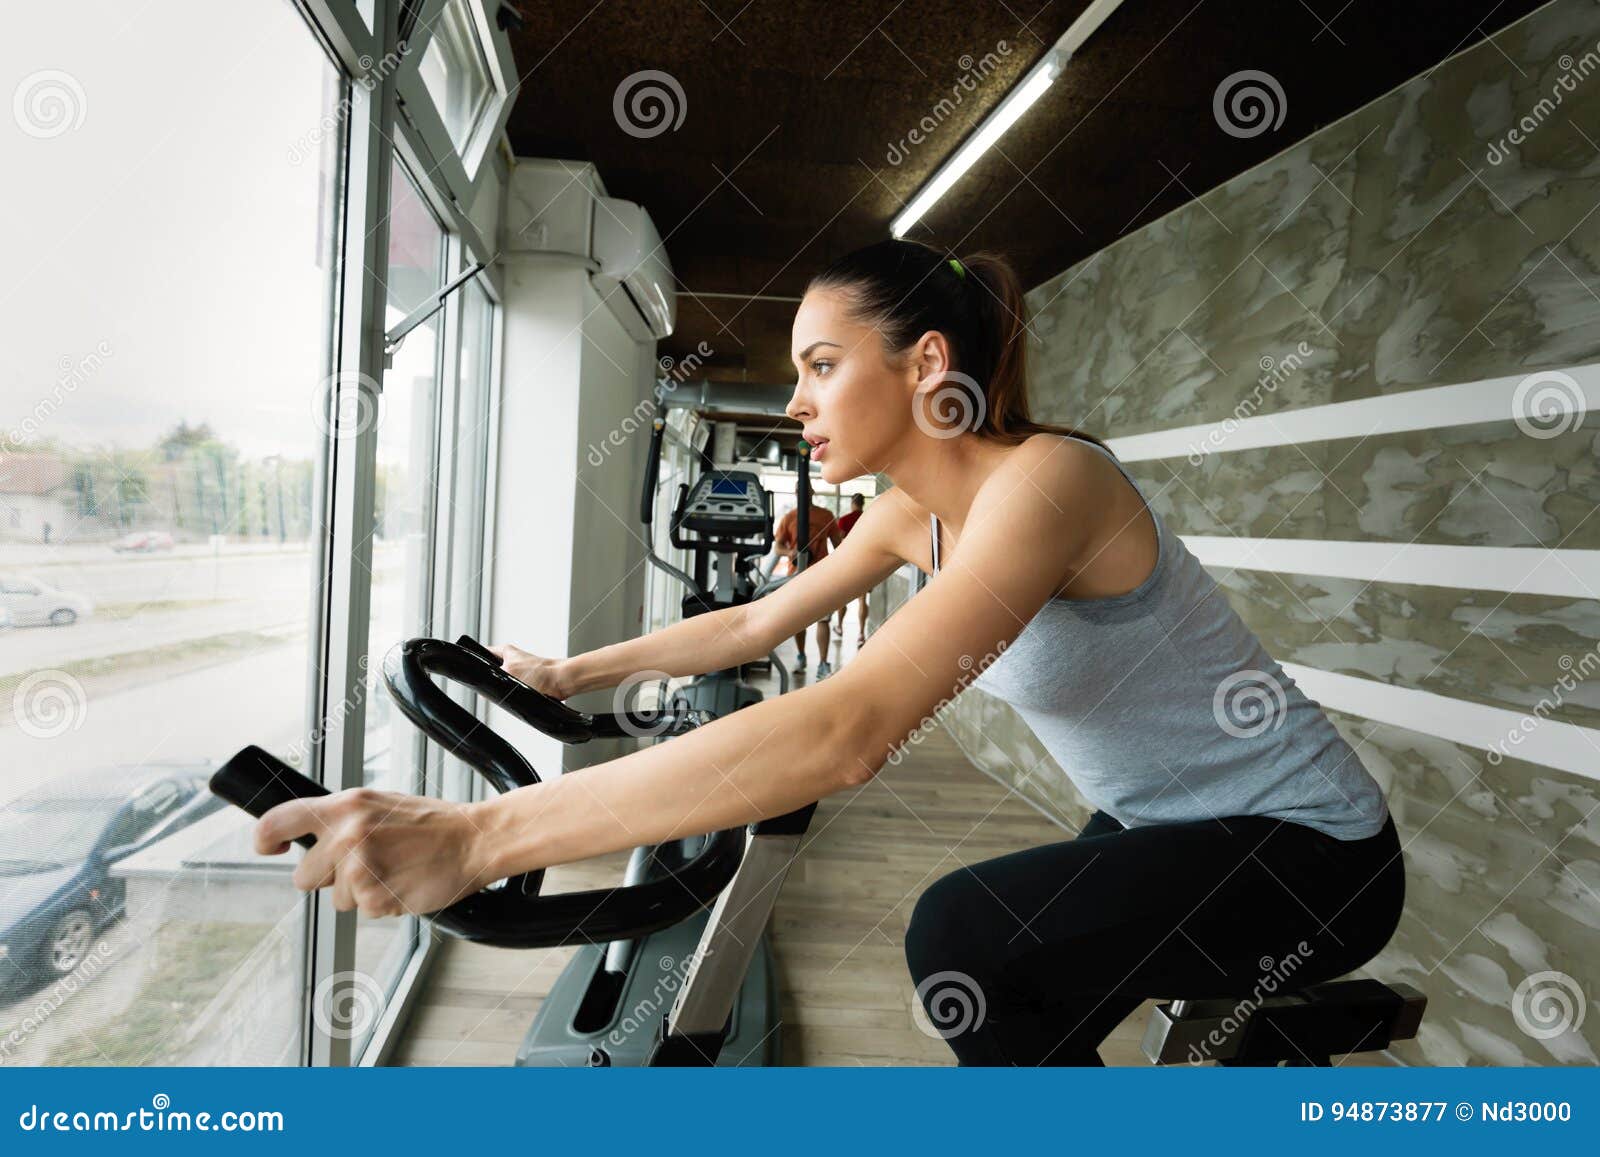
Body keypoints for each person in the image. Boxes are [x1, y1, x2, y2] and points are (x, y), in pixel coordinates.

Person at [254, 238, 1404, 1066]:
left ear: (921, 365)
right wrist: (566, 673)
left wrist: (478, 830)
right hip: (1167, 824)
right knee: (1016, 1001)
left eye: (819, 364)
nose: (798, 399)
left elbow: (850, 727)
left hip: (1314, 852)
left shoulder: (1051, 482)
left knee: (962, 938)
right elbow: (757, 625)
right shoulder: (915, 512)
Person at [773, 499, 842, 677]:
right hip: (797, 574)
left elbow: (839, 545)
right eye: (799, 489)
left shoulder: (826, 515)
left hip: (821, 574)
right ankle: (801, 656)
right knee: (798, 621)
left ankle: (823, 663)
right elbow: (778, 547)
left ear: (811, 491)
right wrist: (790, 552)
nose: (803, 491)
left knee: (824, 619)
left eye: (806, 488)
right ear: (797, 493)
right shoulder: (789, 517)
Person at [831, 494, 868, 646]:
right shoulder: (868, 518)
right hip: (867, 561)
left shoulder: (845, 520)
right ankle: (861, 633)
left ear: (852, 503)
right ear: (863, 503)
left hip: (850, 562)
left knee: (843, 596)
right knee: (862, 599)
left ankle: (839, 626)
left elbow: (839, 543)